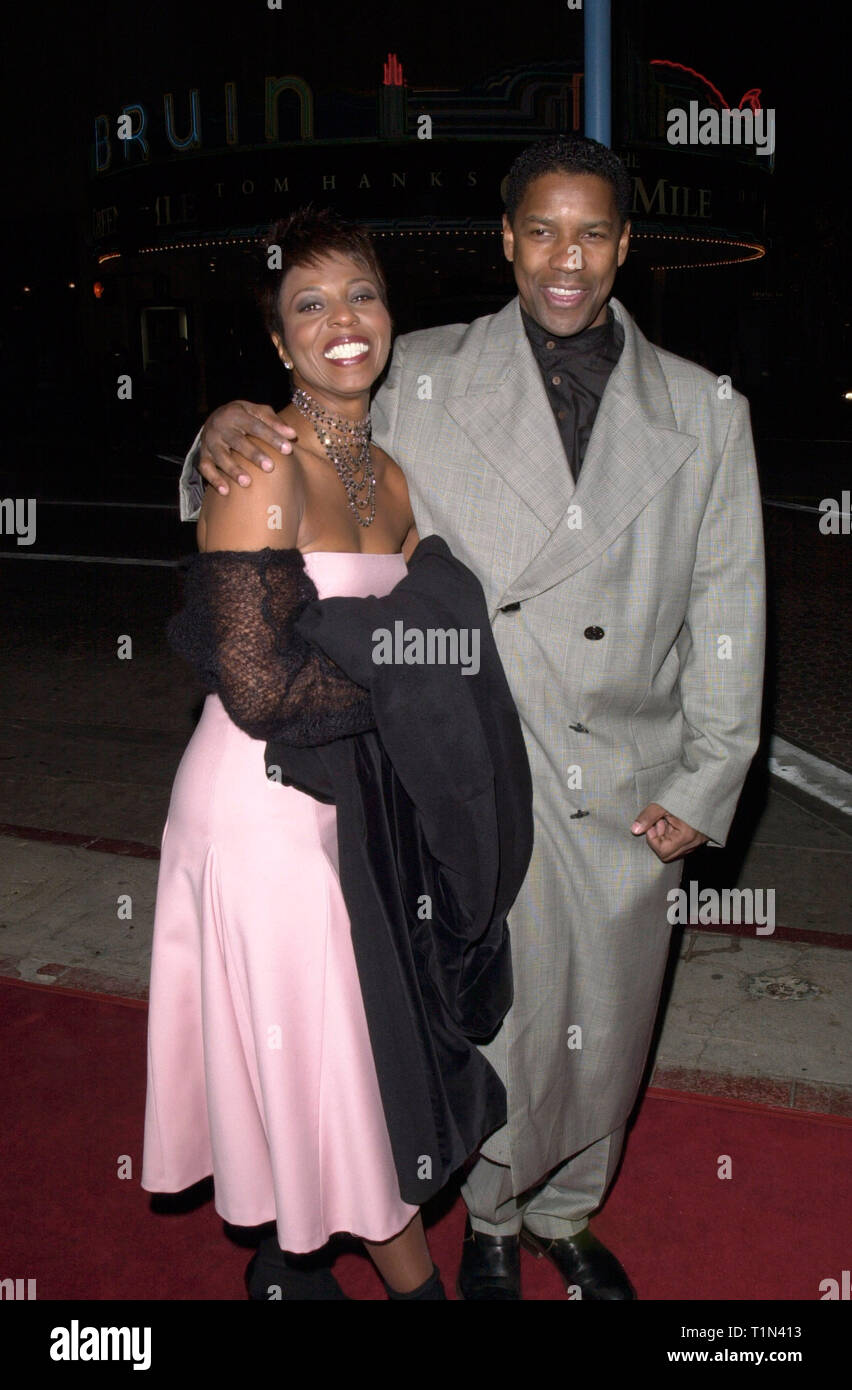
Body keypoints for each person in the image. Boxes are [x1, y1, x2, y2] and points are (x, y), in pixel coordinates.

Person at [179, 136, 766, 1300]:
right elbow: (310, 427)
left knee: (613, 1018)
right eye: (540, 230)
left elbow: (729, 601)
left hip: (625, 772)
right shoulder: (421, 370)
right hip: (479, 764)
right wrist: (212, 439)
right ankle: (489, 1222)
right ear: (506, 241)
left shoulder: (705, 407)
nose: (566, 257)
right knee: (492, 1014)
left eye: (592, 232)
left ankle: (564, 1213)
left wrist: (711, 777)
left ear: (624, 248)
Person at [141, 207, 533, 1301]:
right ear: (278, 343)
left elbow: (431, 634)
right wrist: (414, 695)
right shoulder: (260, 461)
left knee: (338, 1046)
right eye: (308, 306)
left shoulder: (390, 476)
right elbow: (260, 679)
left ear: (390, 314)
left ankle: (288, 1260)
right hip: (263, 810)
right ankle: (416, 1288)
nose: (342, 321)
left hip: (352, 799)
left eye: (360, 294)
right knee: (352, 1062)